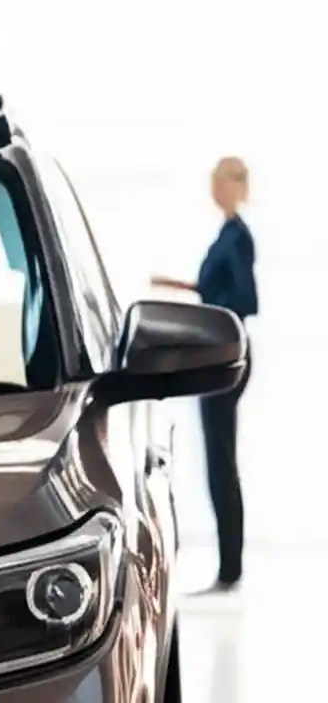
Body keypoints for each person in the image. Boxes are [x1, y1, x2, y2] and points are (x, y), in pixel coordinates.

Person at [153, 155, 257, 592]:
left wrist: (208, 298)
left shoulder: (238, 237)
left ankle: (230, 567)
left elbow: (245, 299)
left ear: (235, 185)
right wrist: (187, 288)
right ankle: (227, 565)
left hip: (226, 356)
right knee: (217, 461)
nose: (214, 190)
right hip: (218, 353)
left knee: (222, 463)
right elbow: (220, 288)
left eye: (219, 182)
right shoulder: (226, 234)